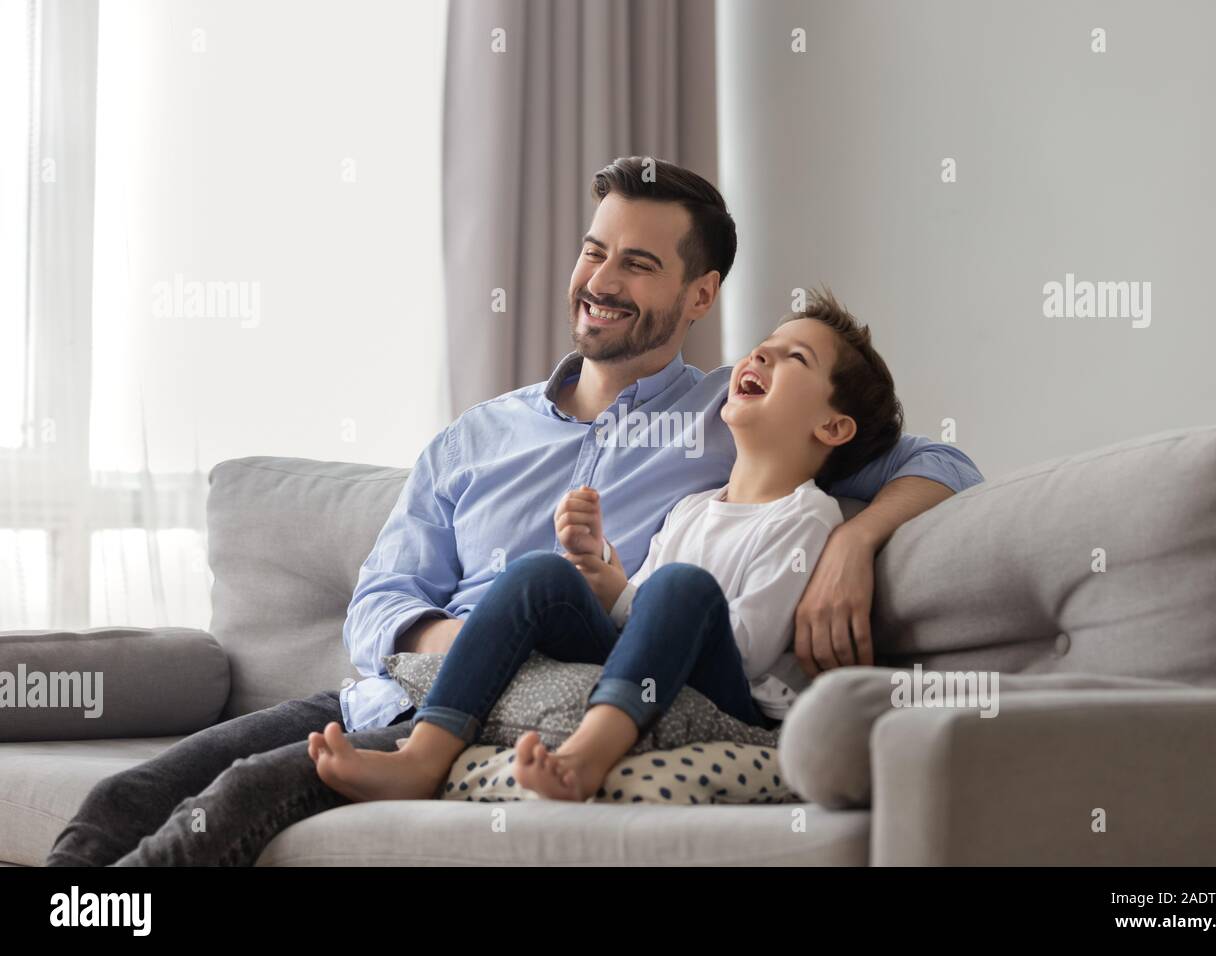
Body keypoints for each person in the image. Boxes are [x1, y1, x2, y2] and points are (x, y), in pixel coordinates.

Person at [47, 157, 983, 866]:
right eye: (594, 250)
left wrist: (859, 538)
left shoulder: (729, 419)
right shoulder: (475, 438)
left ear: (699, 296)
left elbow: (941, 460)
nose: (603, 281)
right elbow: (379, 603)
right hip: (402, 692)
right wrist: (472, 641)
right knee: (138, 789)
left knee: (239, 799)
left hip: (533, 706)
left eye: (640, 264)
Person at [308, 291, 875, 802]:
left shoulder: (807, 515)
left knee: (682, 587)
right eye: (764, 348)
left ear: (833, 427)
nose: (760, 359)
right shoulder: (694, 507)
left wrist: (631, 597)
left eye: (795, 358)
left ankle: (585, 756)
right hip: (649, 669)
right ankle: (423, 754)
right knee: (542, 576)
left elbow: (743, 647)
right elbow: (635, 609)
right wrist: (600, 570)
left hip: (732, 698)